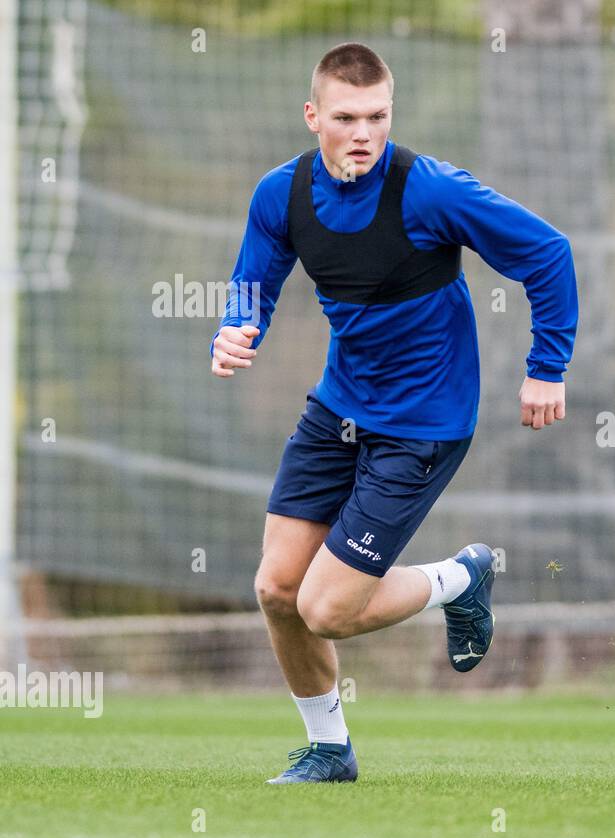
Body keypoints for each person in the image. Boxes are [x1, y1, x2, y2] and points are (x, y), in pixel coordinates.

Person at [209, 42, 578, 784]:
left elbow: (549, 252)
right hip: (339, 408)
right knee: (277, 589)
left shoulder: (430, 191)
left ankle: (457, 580)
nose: (363, 134)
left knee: (326, 608)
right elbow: (255, 277)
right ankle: (330, 751)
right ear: (313, 116)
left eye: (378, 116)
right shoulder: (280, 194)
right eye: (346, 117)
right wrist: (235, 324)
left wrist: (546, 369)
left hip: (425, 423)